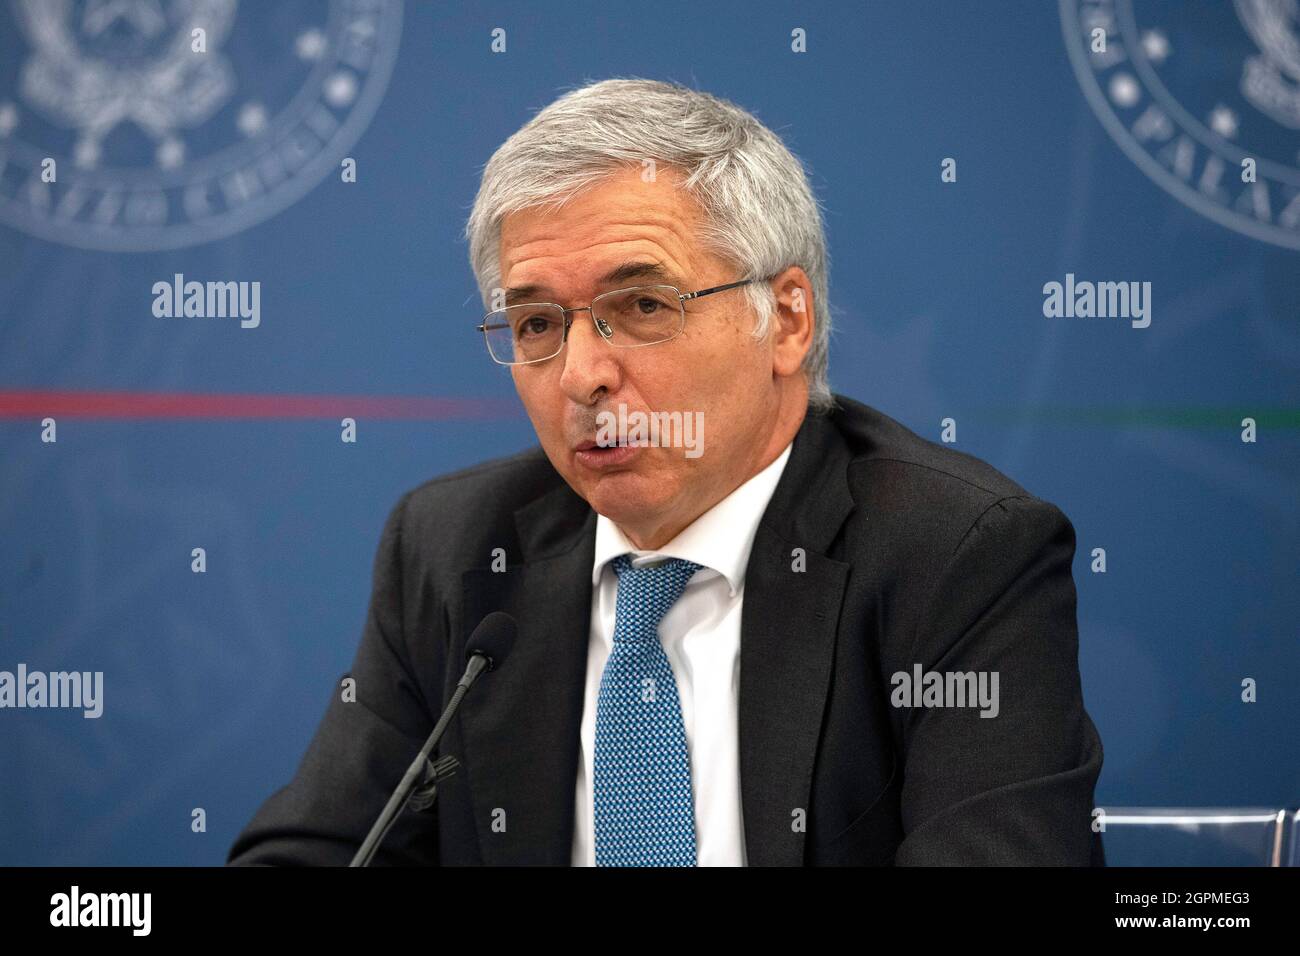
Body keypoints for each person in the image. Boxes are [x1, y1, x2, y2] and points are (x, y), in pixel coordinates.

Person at [227, 78, 1103, 866]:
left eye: (642, 306)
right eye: (536, 324)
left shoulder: (956, 556)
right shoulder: (455, 551)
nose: (581, 374)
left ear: (787, 320)